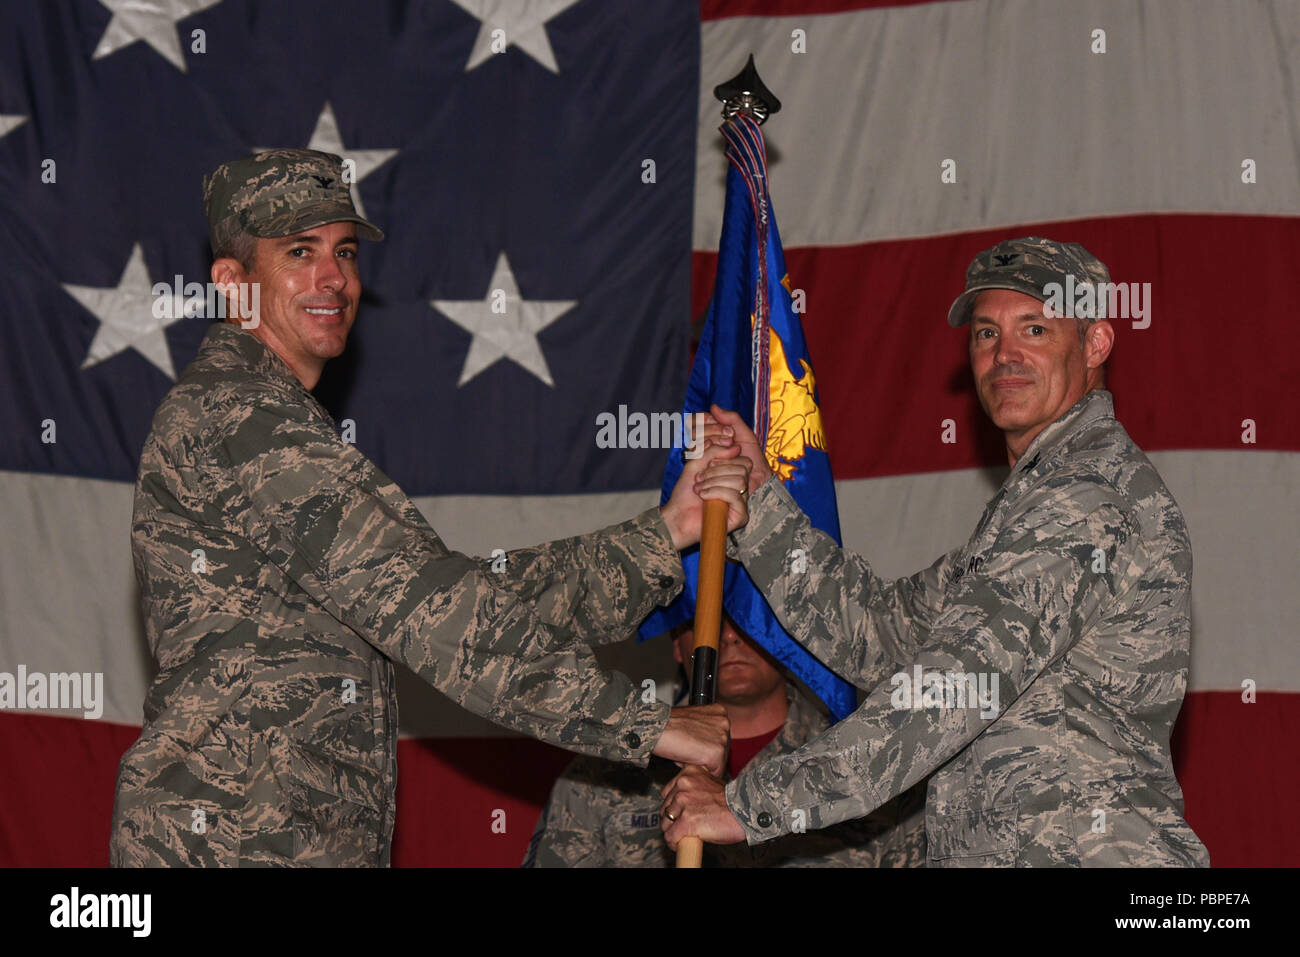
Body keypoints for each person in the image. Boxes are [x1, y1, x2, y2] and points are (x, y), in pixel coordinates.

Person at [111, 149, 749, 867]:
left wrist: (669, 532)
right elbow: (432, 609)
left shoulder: (278, 420)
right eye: (299, 251)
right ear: (234, 284)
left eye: (344, 251)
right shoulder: (239, 415)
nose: (334, 277)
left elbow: (450, 592)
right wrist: (646, 721)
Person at [660, 237, 1211, 867]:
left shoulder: (1085, 499)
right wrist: (760, 507)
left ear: (1094, 344)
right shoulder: (1026, 509)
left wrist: (747, 804)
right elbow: (879, 633)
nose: (1005, 356)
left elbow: (952, 690)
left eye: (1034, 328)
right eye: (985, 334)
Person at [523, 616, 927, 867]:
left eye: (749, 617)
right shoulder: (604, 774)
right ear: (678, 645)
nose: (730, 636)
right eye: (709, 616)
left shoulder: (867, 761)